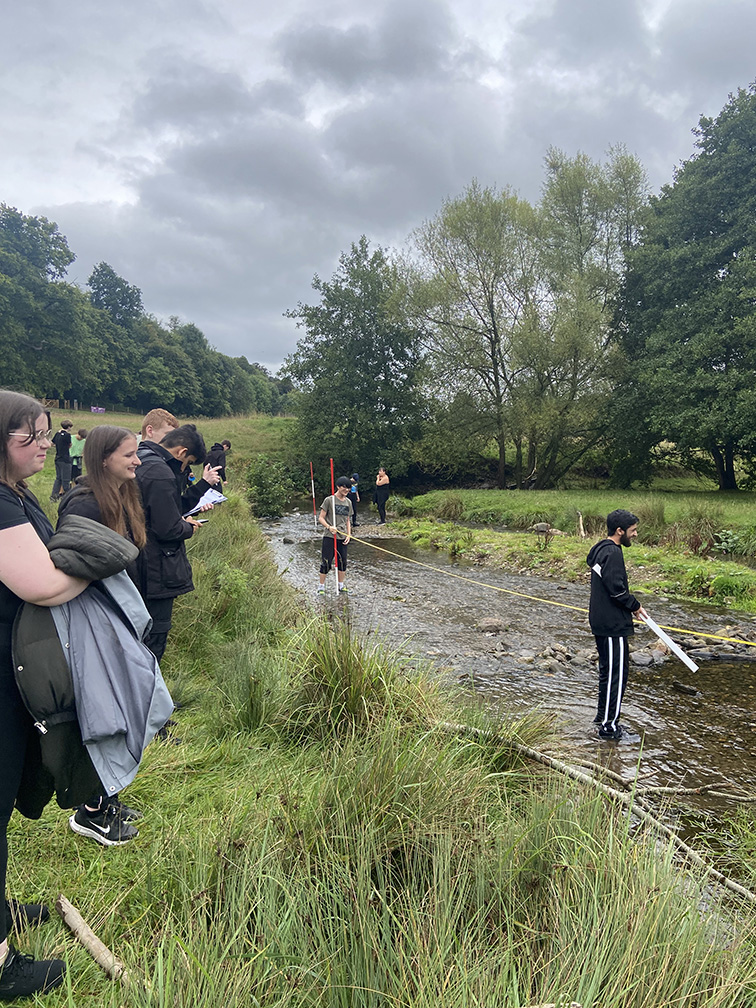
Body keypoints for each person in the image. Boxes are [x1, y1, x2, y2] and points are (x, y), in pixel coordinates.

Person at [0, 391, 91, 998]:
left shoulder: (16, 496)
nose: (43, 446)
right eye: (29, 436)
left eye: (46, 434)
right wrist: (95, 566)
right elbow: (42, 586)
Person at [58, 426, 148, 845]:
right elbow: (73, 565)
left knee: (123, 708)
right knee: (103, 714)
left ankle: (106, 796)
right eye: (129, 454)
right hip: (93, 625)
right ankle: (91, 811)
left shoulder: (122, 494)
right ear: (103, 457)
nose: (137, 461)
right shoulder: (83, 503)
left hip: (117, 618)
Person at [135, 424, 208, 661]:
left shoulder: (140, 457)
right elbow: (168, 529)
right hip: (156, 567)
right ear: (181, 452)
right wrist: (188, 526)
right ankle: (149, 696)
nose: (184, 468)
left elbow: (160, 511)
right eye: (188, 463)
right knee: (154, 637)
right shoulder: (160, 472)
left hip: (136, 561)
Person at [586, 509, 648, 741]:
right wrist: (636, 606)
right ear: (619, 531)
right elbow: (617, 589)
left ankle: (602, 718)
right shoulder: (612, 553)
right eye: (632, 531)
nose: (635, 534)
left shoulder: (601, 549)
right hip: (612, 624)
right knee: (617, 676)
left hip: (603, 621)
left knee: (608, 673)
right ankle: (609, 728)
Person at [317, 477, 353, 595]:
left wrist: (349, 534)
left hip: (342, 537)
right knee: (326, 561)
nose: (346, 489)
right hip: (330, 536)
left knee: (343, 562)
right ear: (338, 486)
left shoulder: (348, 502)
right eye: (344, 487)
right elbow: (321, 518)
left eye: (348, 487)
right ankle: (321, 586)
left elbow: (348, 520)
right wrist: (329, 527)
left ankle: (341, 585)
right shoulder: (329, 500)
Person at [49, 419, 73, 501]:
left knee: (58, 478)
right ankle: (67, 498)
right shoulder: (67, 435)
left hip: (57, 458)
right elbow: (70, 445)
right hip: (65, 459)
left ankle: (53, 496)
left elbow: (52, 444)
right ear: (69, 427)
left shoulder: (57, 434)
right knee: (66, 479)